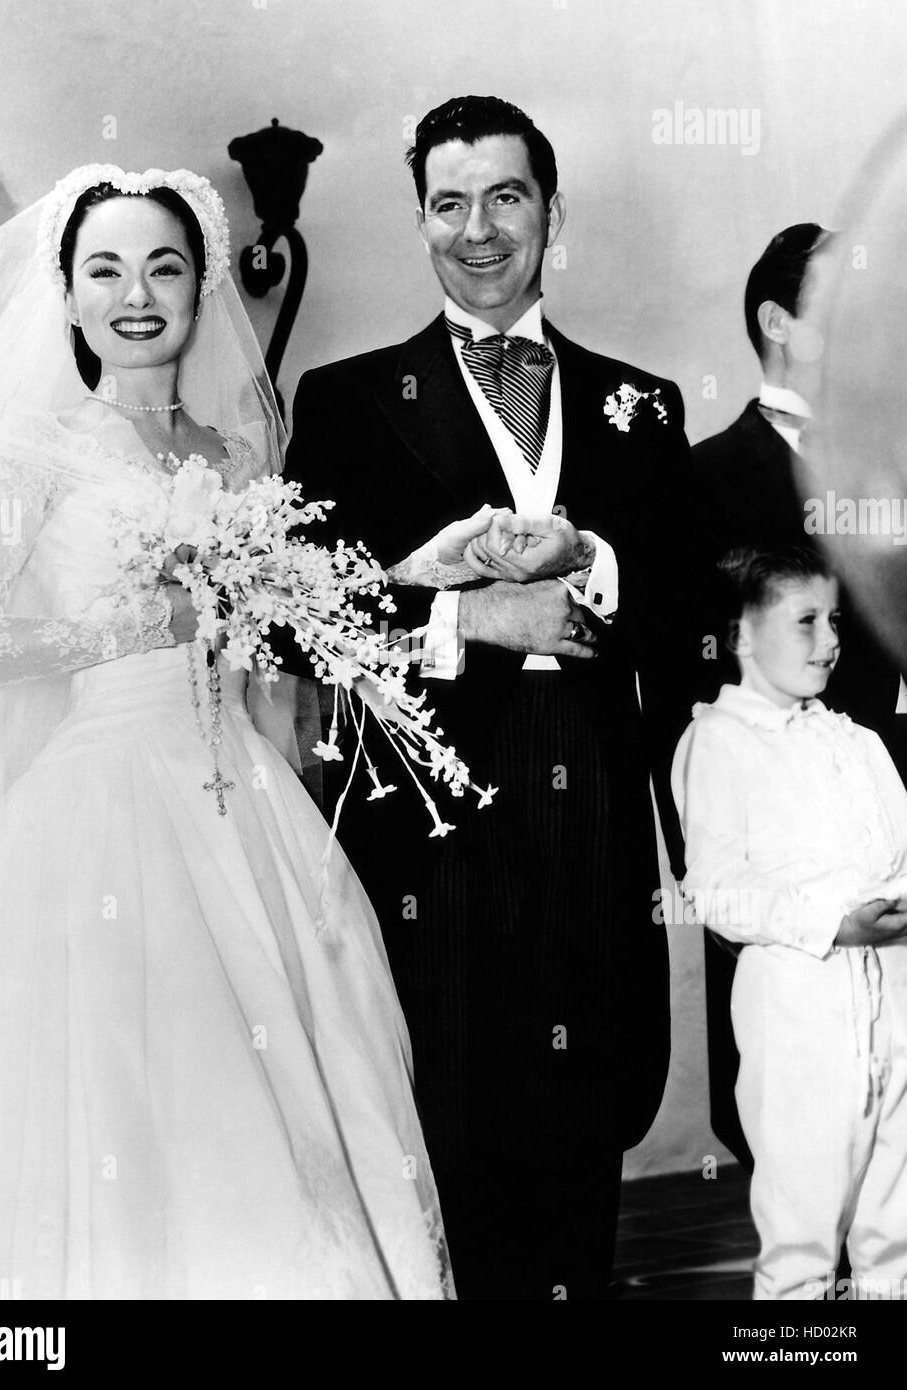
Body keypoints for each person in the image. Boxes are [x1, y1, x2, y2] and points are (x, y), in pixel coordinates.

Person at [0, 164, 452, 1300]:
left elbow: (282, 628)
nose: (137, 293)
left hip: (240, 794)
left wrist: (407, 583)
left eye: (164, 265)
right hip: (105, 796)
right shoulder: (34, 452)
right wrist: (129, 623)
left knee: (299, 1080)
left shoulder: (232, 457)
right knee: (141, 1099)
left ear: (203, 286)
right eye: (104, 269)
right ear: (65, 297)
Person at [285, 96, 701, 1299]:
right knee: (447, 1135)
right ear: (420, 219)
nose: (479, 229)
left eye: (506, 196)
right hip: (432, 827)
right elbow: (302, 619)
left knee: (581, 1145)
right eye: (449, 202)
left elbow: (680, 620)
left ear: (550, 213)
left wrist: (589, 562)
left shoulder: (646, 402)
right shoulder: (347, 399)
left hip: (591, 812)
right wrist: (466, 616)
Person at [690, 224, 907, 1169]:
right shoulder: (705, 477)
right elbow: (699, 683)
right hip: (788, 843)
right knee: (798, 1132)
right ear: (777, 320)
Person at [672, 545, 907, 1300]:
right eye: (803, 621)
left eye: (833, 619)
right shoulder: (718, 741)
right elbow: (713, 891)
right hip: (796, 1016)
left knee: (894, 1222)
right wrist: (834, 925)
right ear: (740, 636)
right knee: (803, 1226)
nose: (830, 640)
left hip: (894, 1003)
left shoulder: (858, 742)